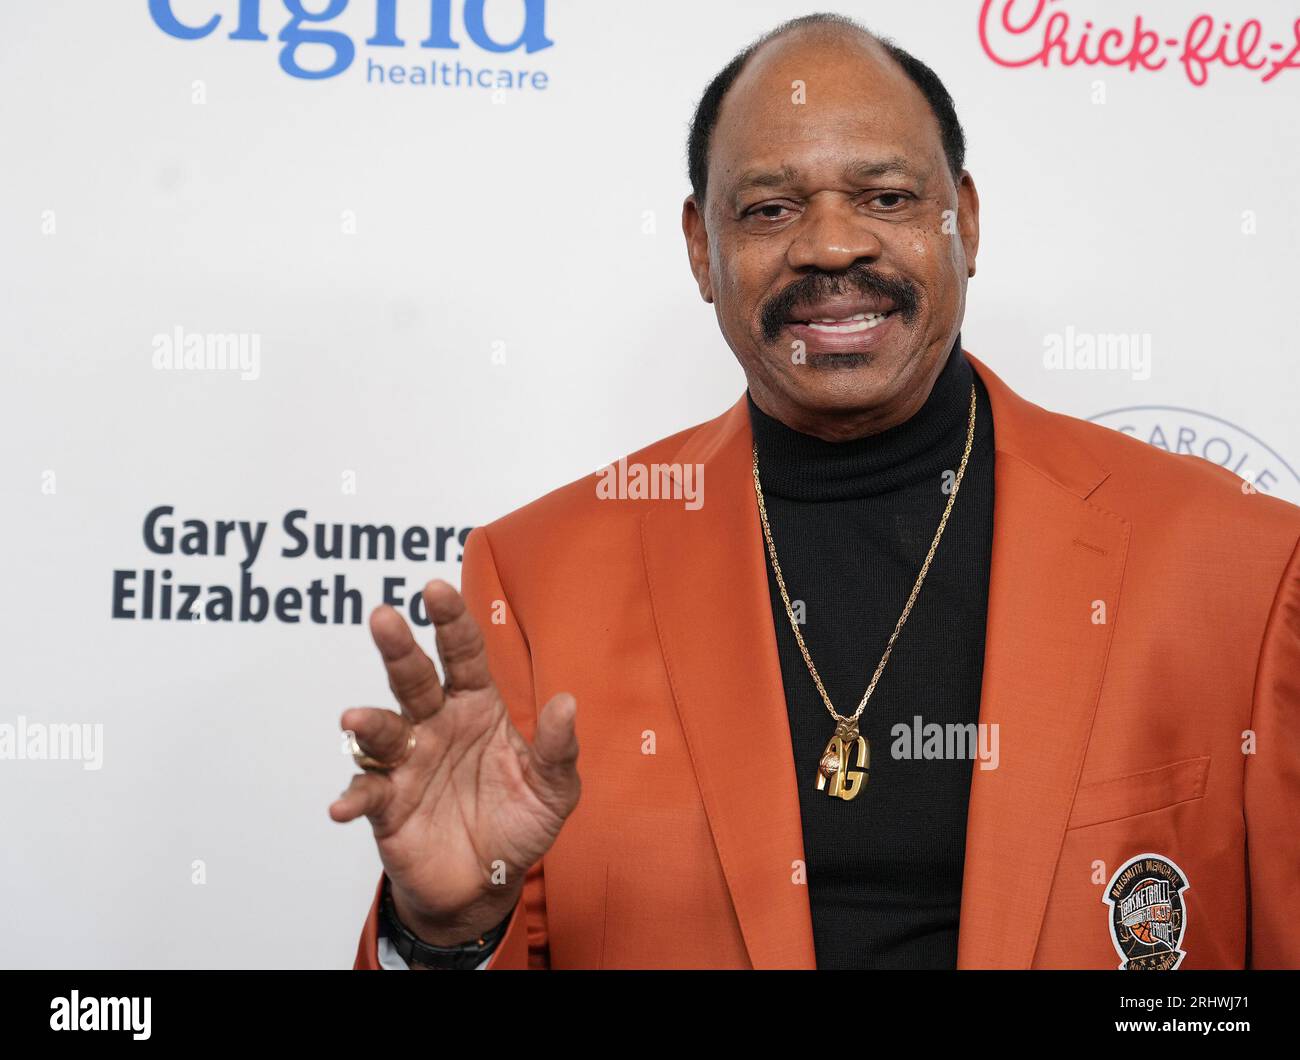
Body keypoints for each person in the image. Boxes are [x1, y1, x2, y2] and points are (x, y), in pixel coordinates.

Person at [332, 13, 1300, 970]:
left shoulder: (1234, 564)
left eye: (883, 197)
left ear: (963, 219)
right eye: (769, 209)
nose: (832, 249)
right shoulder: (537, 580)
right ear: (700, 250)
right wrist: (448, 934)